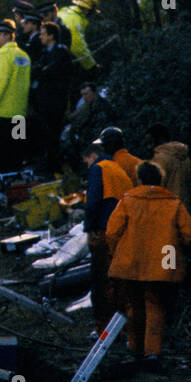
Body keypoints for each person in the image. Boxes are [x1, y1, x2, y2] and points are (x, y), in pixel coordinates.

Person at [106, 161, 191, 372]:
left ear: (139, 179)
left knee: (133, 305)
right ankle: (152, 354)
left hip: (130, 263)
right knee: (155, 305)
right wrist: (178, 251)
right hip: (163, 264)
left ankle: (134, 348)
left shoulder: (127, 201)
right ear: (160, 180)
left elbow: (111, 232)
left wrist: (116, 253)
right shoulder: (173, 203)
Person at [82, 140, 133, 331]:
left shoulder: (98, 169)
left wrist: (89, 229)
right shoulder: (117, 169)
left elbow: (93, 201)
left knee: (100, 280)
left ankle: (103, 328)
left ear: (93, 156)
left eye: (86, 161)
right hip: (122, 231)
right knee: (118, 281)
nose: (88, 166)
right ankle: (122, 324)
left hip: (105, 232)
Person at [0, 20, 30, 179]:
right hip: (20, 111)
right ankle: (18, 176)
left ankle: (5, 179)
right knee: (18, 145)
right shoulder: (23, 55)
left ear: (7, 36)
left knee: (3, 148)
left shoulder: (3, 54)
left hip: (2, 112)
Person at [29, 20, 75, 174]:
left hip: (56, 100)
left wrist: (43, 72)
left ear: (51, 36)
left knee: (54, 133)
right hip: (44, 101)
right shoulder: (45, 53)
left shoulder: (61, 52)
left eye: (43, 34)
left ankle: (56, 164)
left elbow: (52, 73)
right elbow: (38, 71)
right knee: (45, 133)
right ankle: (48, 162)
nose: (40, 37)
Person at [148, 123, 191, 208]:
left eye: (151, 141)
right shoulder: (184, 157)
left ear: (159, 139)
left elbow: (155, 188)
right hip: (183, 206)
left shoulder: (160, 159)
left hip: (166, 207)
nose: (149, 145)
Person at [58, 0, 99, 73]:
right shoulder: (77, 20)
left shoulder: (64, 10)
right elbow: (78, 47)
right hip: (62, 59)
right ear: (87, 10)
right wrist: (92, 66)